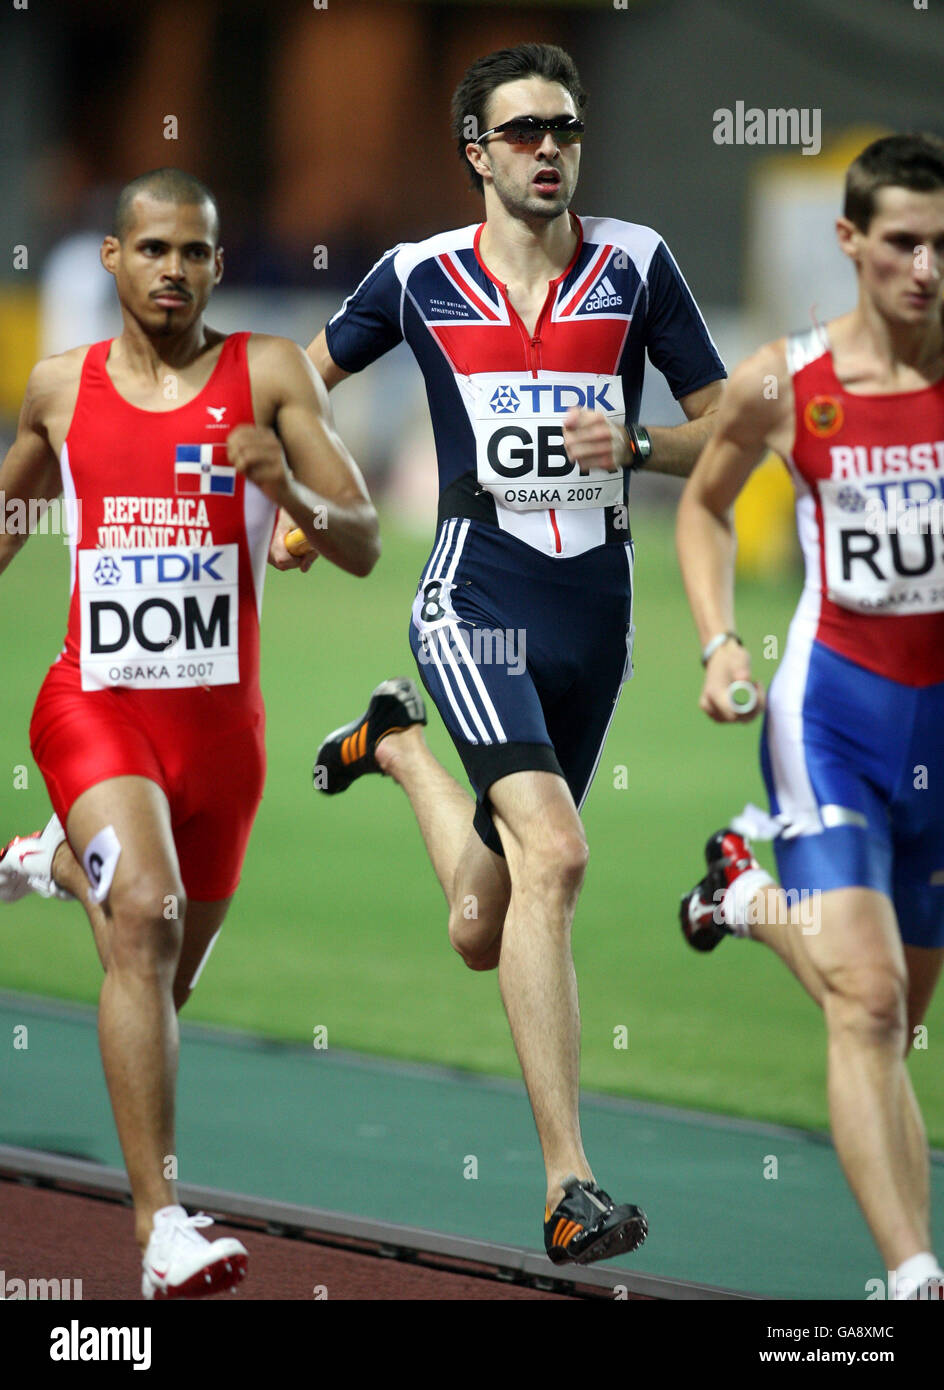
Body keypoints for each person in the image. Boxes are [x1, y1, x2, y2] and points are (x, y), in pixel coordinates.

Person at [295, 42, 726, 1264]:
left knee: (487, 922)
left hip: (596, 617)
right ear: (475, 151)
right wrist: (306, 499)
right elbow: (295, 383)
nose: (549, 149)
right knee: (559, 850)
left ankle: (392, 745)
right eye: (524, 130)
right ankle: (566, 1183)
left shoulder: (636, 266)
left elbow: (733, 430)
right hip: (472, 596)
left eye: (565, 129)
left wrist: (637, 446)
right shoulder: (415, 276)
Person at [0, 167, 379, 1298]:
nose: (175, 270)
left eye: (197, 253)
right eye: (154, 249)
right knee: (148, 920)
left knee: (159, 980)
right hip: (94, 707)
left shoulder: (265, 374)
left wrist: (291, 490)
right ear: (113, 259)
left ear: (220, 263)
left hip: (223, 741)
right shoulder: (59, 389)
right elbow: (11, 517)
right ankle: (163, 1224)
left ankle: (50, 861)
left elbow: (358, 540)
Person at [676, 133, 944, 1300]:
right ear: (850, 242)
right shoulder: (786, 381)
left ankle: (738, 890)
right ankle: (911, 1275)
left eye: (941, 245)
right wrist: (719, 636)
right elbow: (701, 506)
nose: (924, 267)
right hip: (831, 708)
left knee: (893, 1014)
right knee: (870, 998)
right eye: (900, 242)